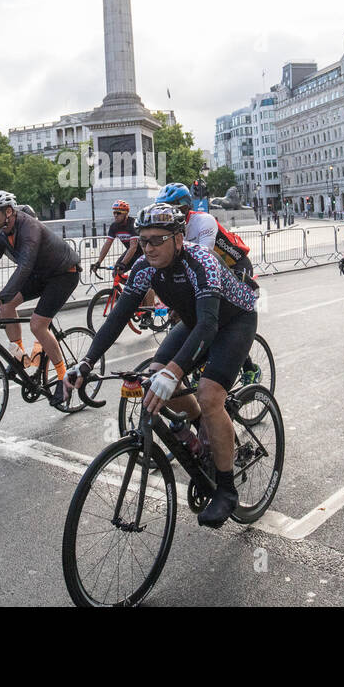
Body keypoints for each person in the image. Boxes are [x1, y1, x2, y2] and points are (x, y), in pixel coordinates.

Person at [71, 203, 258, 529]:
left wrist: (176, 371)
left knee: (209, 394)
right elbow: (117, 317)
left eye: (158, 239)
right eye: (143, 240)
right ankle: (202, 427)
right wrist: (86, 362)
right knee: (156, 377)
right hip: (193, 321)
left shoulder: (203, 262)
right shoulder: (144, 266)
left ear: (179, 238)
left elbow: (209, 326)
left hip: (233, 321)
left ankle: (226, 489)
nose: (149, 247)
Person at [0, 190, 80, 405]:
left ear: (8, 211)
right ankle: (19, 358)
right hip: (40, 274)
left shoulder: (29, 228)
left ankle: (64, 377)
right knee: (7, 307)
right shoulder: (1, 234)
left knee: (38, 325)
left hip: (64, 274)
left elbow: (25, 266)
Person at [90, 200, 137, 275]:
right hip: (130, 252)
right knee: (115, 273)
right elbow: (107, 244)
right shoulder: (114, 226)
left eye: (118, 213)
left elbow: (133, 247)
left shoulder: (132, 224)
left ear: (126, 214)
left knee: (137, 276)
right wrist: (98, 262)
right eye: (114, 212)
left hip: (142, 253)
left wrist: (123, 263)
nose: (115, 215)